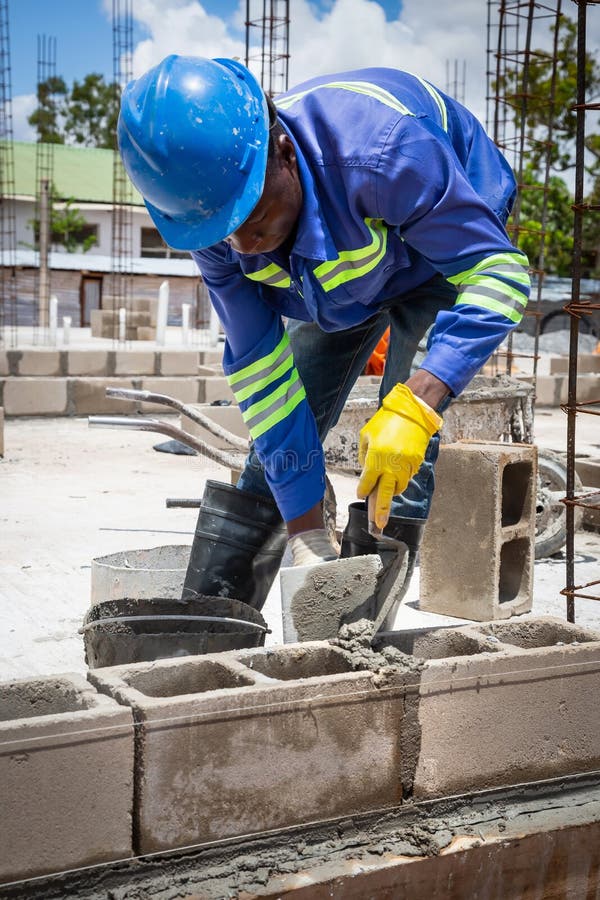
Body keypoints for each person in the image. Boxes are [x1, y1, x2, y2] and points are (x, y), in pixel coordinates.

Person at [118, 56, 530, 618]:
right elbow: (263, 372)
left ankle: (358, 642)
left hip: (441, 254)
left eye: (252, 216)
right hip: (340, 269)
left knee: (404, 455)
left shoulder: (385, 154)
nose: (241, 246)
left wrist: (419, 404)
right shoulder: (212, 214)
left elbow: (500, 273)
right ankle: (218, 623)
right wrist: (306, 534)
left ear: (284, 151)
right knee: (280, 439)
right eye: (223, 229)